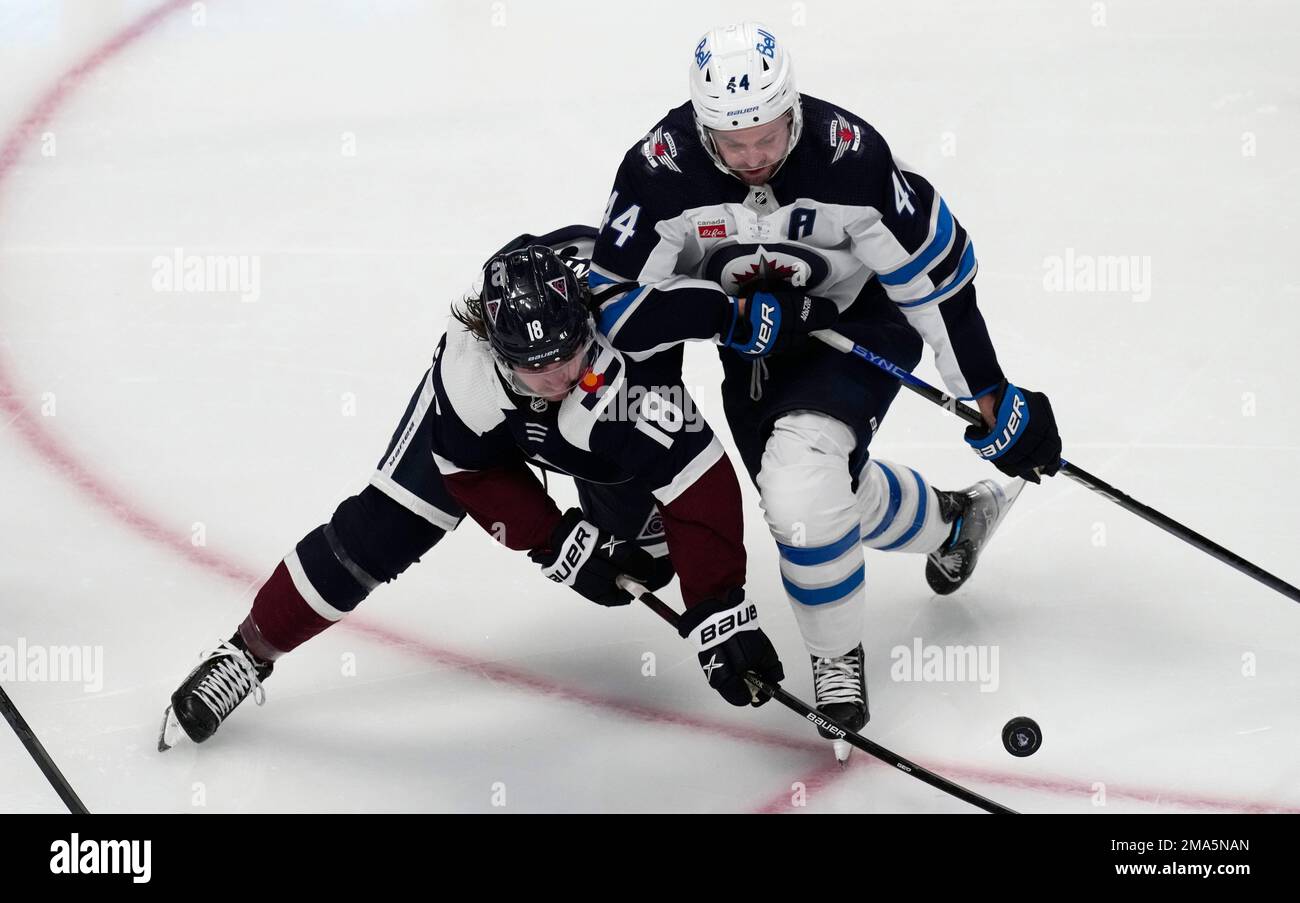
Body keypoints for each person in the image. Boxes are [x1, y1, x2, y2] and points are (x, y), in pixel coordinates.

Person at [588, 22, 1062, 750]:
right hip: (754, 345)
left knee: (801, 486)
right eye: (733, 141)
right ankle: (953, 521)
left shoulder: (850, 158)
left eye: (769, 137)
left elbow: (930, 274)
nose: (753, 157)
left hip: (859, 322)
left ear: (794, 109)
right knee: (816, 501)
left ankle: (836, 659)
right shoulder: (660, 172)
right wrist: (728, 316)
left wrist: (990, 394)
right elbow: (616, 307)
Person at [158, 228, 785, 750]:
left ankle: (625, 521)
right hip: (492, 434)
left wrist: (720, 613)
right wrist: (557, 542)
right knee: (379, 531)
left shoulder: (633, 353)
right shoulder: (470, 375)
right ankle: (245, 653)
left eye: (565, 355)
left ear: (585, 325)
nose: (552, 377)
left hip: (610, 427)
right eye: (530, 365)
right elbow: (472, 473)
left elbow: (699, 483)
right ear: (494, 344)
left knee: (644, 562)